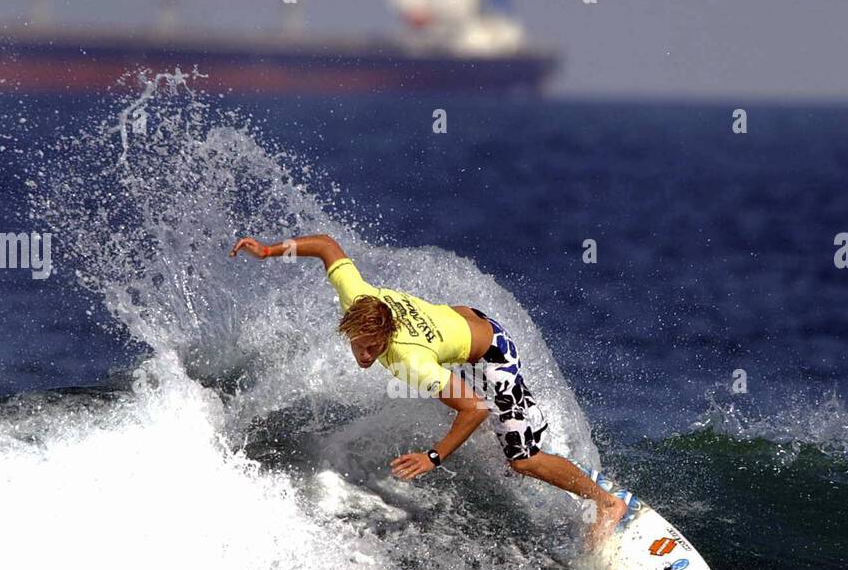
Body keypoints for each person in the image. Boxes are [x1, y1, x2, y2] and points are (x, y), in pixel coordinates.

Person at [229, 233, 628, 547]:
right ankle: (528, 428)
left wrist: (433, 457)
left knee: (521, 460)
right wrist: (269, 251)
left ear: (386, 335)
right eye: (360, 346)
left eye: (373, 348)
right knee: (502, 435)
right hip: (461, 327)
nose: (366, 356)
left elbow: (473, 408)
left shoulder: (410, 360)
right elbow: (326, 246)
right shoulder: (359, 300)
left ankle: (606, 504)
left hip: (492, 353)